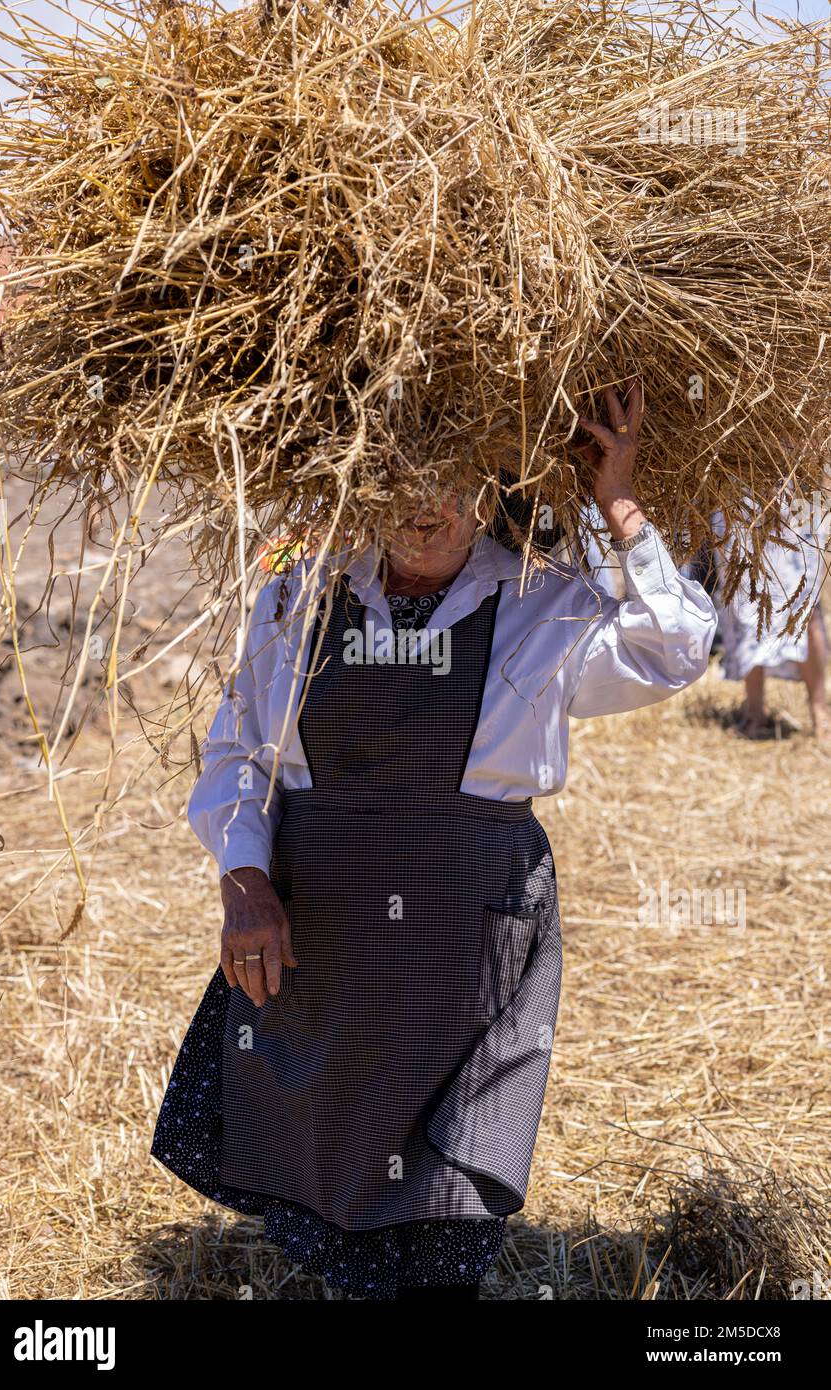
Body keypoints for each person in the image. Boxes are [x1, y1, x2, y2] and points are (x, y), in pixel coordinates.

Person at [151, 382, 718, 1301]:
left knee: (449, 1174)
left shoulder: (546, 604)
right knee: (324, 1156)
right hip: (321, 930)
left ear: (493, 490)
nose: (430, 506)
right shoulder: (301, 594)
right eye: (400, 478)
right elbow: (238, 751)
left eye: (456, 481)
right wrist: (243, 879)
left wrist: (617, 500)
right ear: (362, 484)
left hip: (468, 928)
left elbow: (675, 649)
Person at [711, 495, 830, 739]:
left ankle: (821, 712)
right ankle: (755, 711)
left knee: (804, 609)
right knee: (745, 606)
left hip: (794, 500)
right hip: (736, 502)